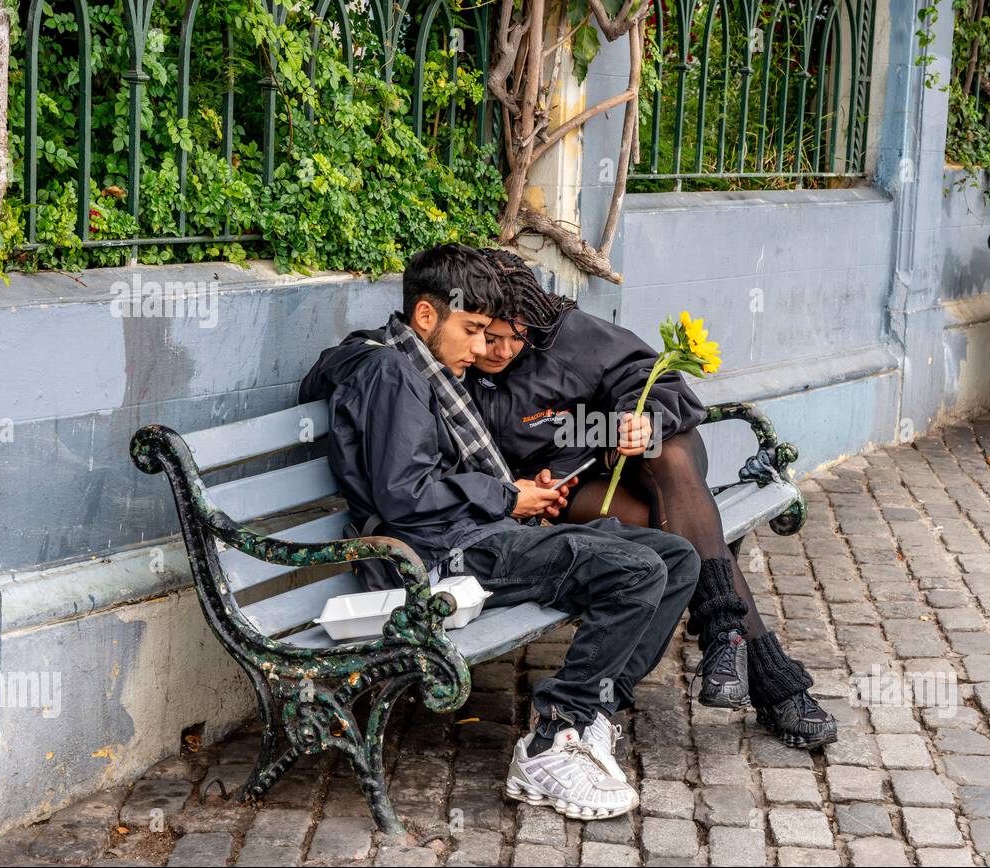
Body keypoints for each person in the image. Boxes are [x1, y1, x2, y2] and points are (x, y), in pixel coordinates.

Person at [298, 243, 700, 821]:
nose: (485, 347)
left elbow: (425, 470)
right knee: (635, 571)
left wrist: (511, 492)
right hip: (442, 555)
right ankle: (548, 743)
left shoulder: (418, 366)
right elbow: (405, 497)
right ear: (427, 316)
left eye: (489, 331)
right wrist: (507, 496)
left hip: (474, 533)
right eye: (474, 329)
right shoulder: (390, 371)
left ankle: (594, 717)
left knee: (677, 558)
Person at [462, 247, 839, 750]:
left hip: (642, 456)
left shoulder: (565, 335)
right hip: (571, 492)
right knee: (673, 528)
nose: (505, 350)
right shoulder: (454, 363)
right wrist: (522, 490)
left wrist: (640, 420)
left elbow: (650, 378)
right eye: (491, 337)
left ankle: (729, 635)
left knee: (671, 454)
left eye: (518, 336)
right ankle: (766, 675)